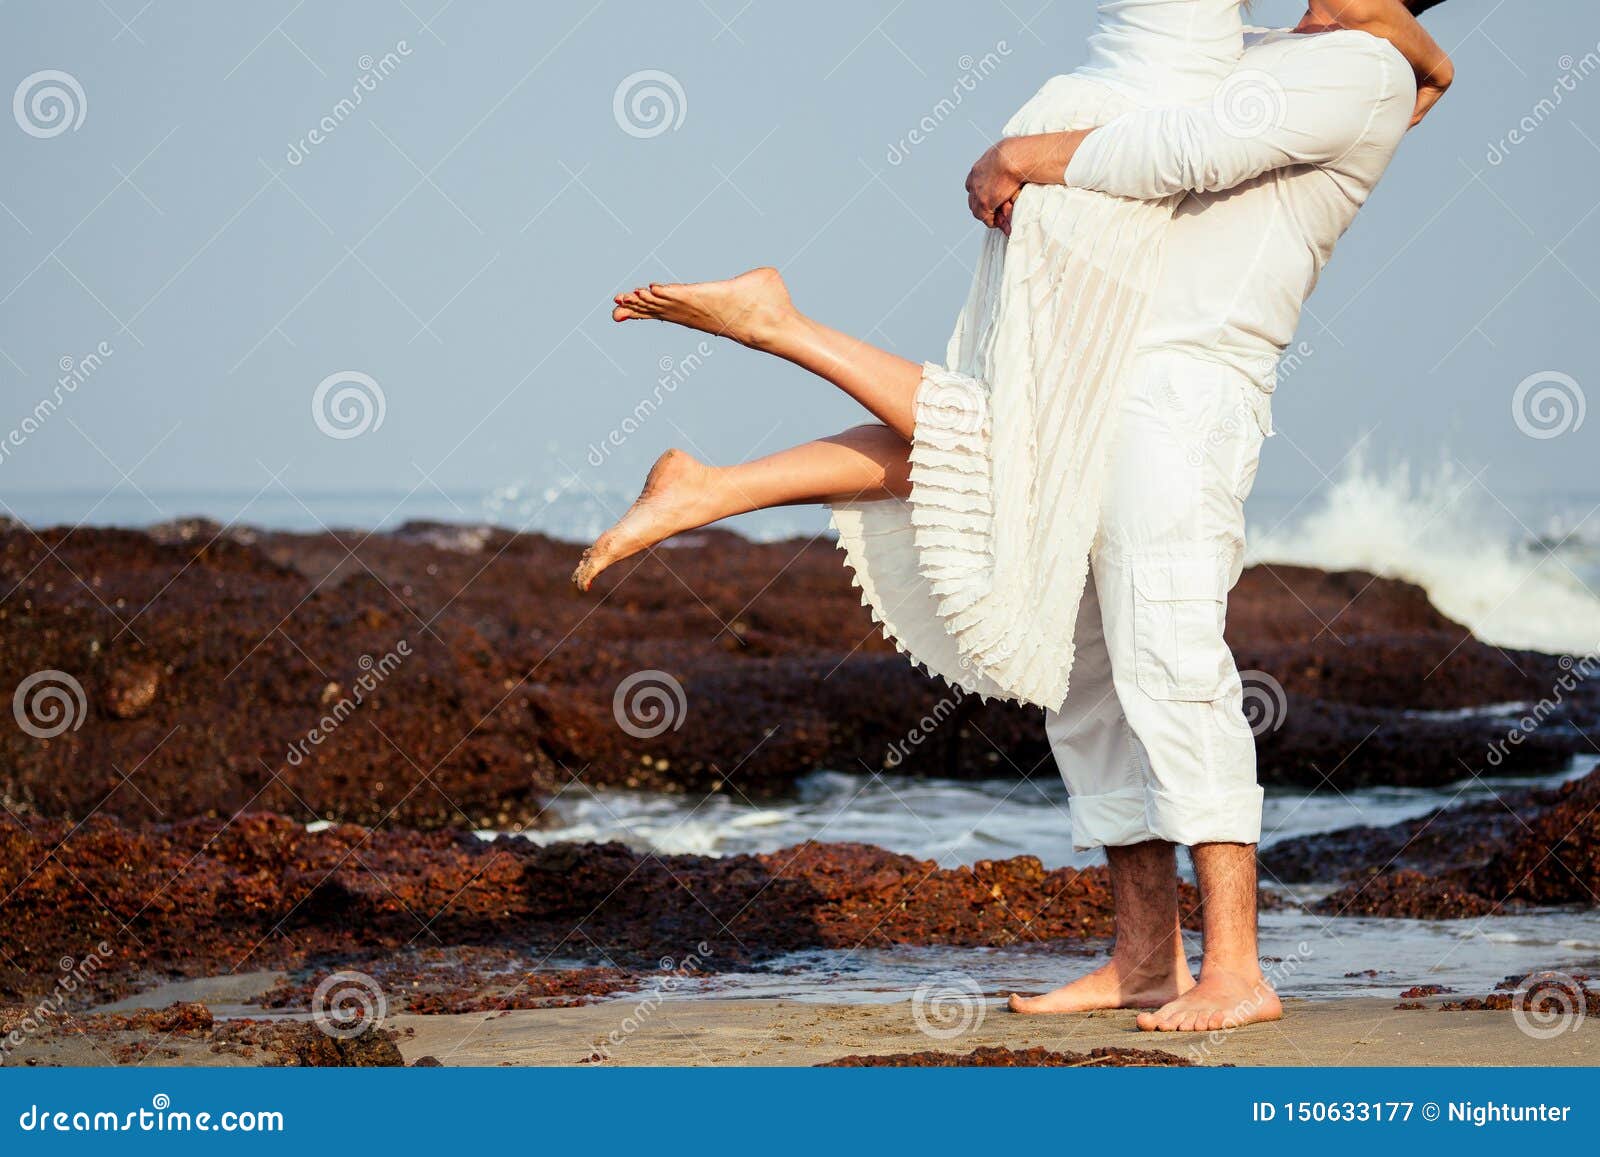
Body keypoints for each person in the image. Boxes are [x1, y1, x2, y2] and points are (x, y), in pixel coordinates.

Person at [574, 0, 1452, 1032]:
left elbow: (1188, 145)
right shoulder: (1307, 53)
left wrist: (1024, 153)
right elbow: (1204, 66)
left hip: (1182, 388)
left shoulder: (1360, 70)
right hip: (1104, 353)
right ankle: (1142, 958)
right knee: (1087, 670)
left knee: (1168, 657)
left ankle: (1238, 970)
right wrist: (1435, 54)